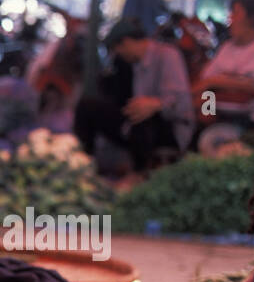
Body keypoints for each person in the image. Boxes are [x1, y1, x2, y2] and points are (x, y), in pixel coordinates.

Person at [73, 19, 192, 171]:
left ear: (127, 42)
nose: (119, 54)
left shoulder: (168, 55)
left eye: (118, 49)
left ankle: (139, 174)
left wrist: (155, 104)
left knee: (142, 118)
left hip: (170, 126)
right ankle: (82, 163)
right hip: (136, 123)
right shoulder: (132, 65)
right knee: (87, 107)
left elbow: (181, 102)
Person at [194, 0, 254, 128]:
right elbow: (205, 81)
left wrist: (217, 81)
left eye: (235, 13)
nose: (230, 18)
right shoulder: (226, 48)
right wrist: (208, 110)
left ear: (251, 18)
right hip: (218, 118)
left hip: (251, 122)